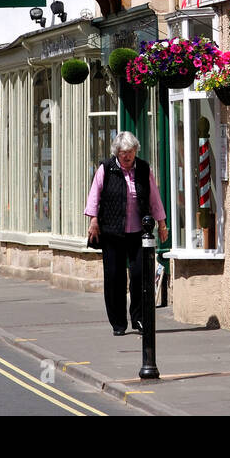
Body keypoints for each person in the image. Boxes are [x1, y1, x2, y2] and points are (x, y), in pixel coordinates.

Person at [85, 131, 168, 335]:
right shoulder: (106, 168)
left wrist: (162, 224)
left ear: (135, 151)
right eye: (123, 152)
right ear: (116, 152)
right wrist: (93, 220)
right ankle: (118, 324)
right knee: (114, 278)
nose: (127, 156)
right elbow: (94, 195)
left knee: (140, 275)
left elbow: (154, 198)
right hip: (112, 232)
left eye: (130, 152)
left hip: (139, 232)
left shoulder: (143, 169)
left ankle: (139, 319)